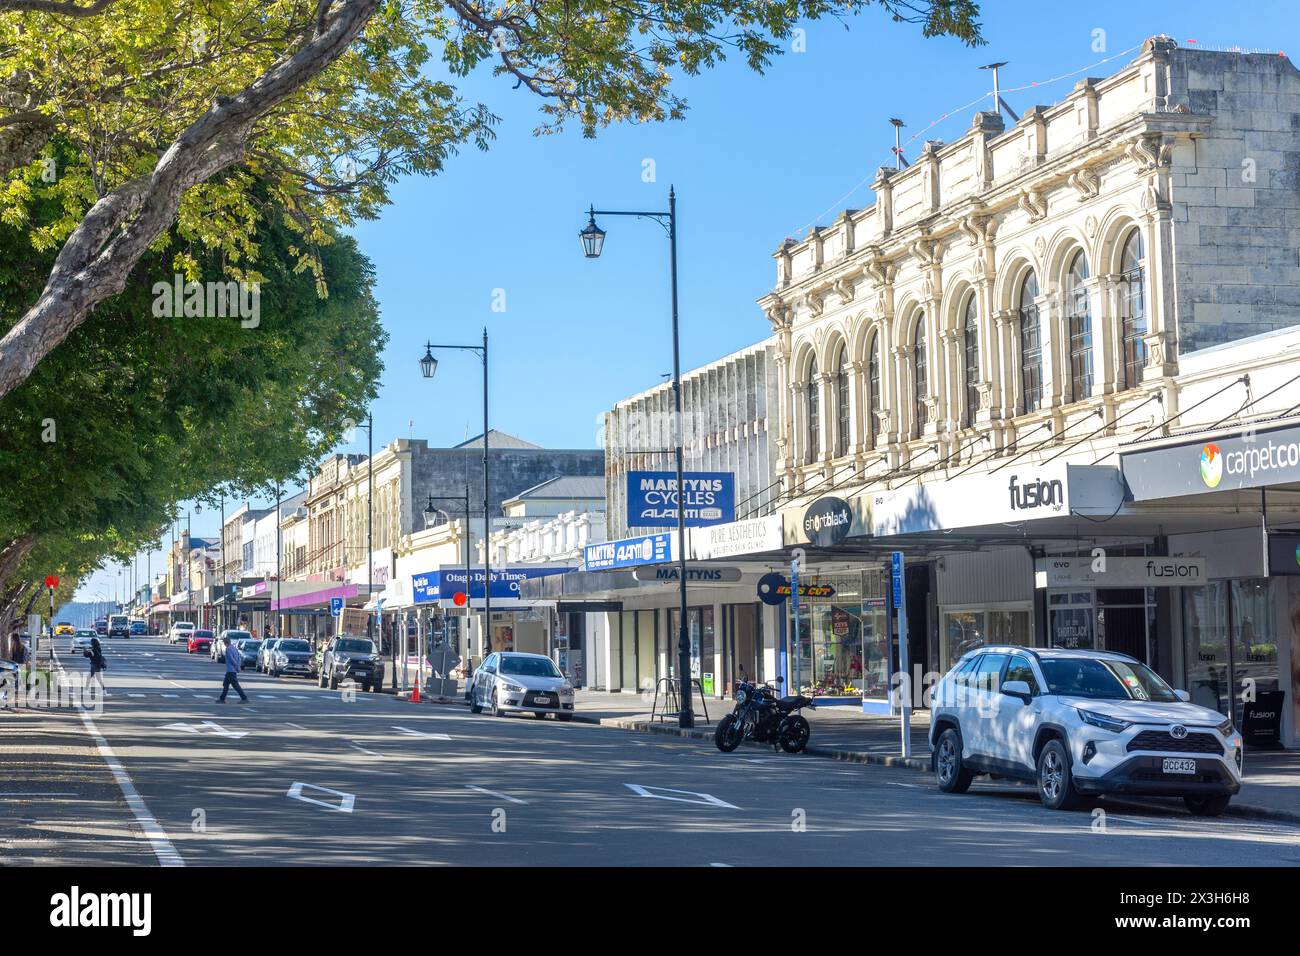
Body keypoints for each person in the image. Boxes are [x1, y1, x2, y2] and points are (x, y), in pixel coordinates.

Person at [216, 635, 248, 703]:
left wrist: (236, 666)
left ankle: (244, 698)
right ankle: (222, 698)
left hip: (231, 670)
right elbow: (239, 658)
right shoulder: (234, 648)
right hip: (230, 670)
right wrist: (238, 665)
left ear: (225, 643)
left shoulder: (228, 649)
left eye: (224, 643)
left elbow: (231, 659)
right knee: (226, 685)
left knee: (236, 685)